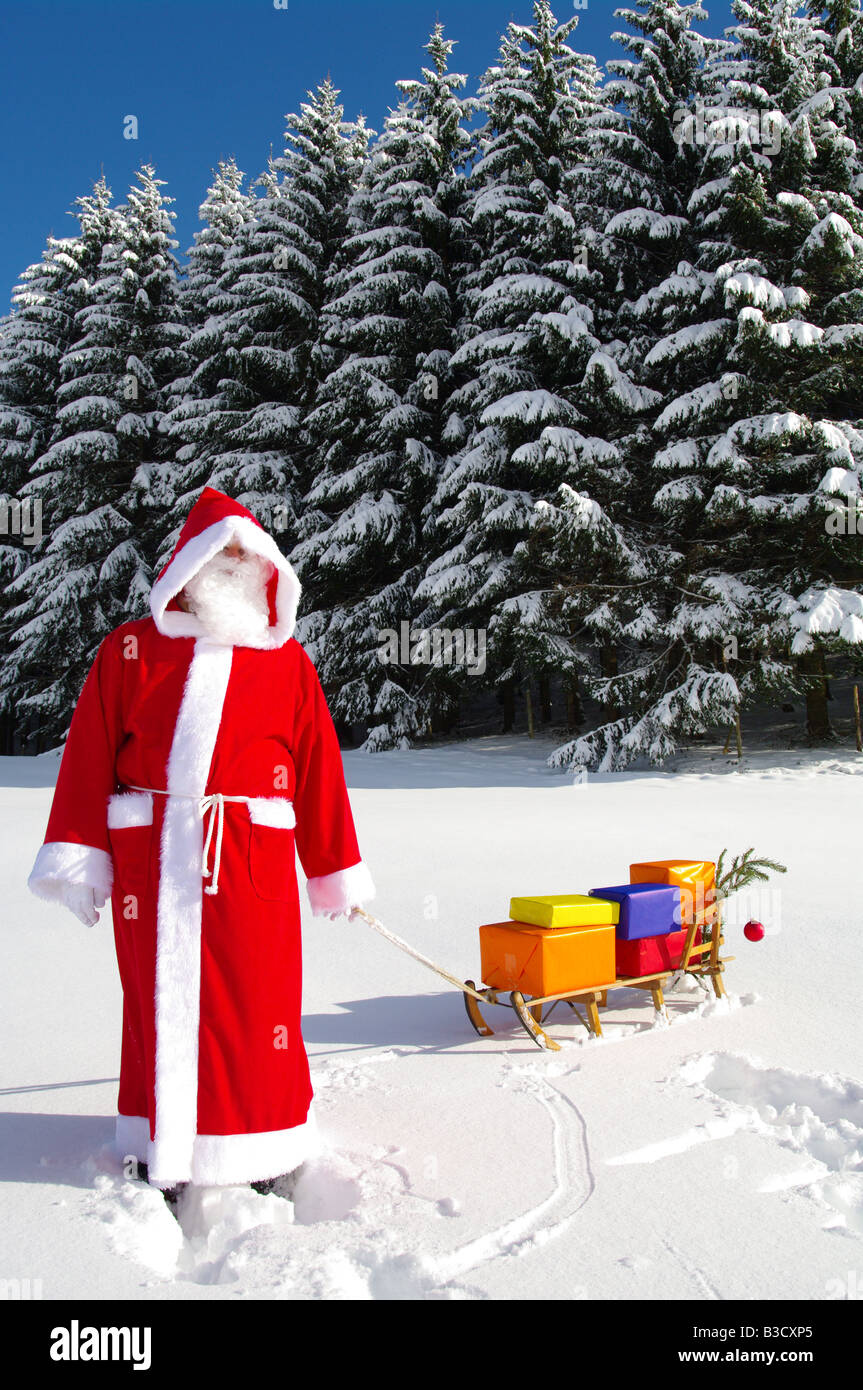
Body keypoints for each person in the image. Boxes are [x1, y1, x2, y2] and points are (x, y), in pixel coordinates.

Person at [27, 486, 375, 1203]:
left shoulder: (287, 663)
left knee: (257, 1005)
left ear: (268, 569)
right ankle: (159, 1142)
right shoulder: (130, 650)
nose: (235, 565)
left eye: (248, 554)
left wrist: (334, 869)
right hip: (150, 860)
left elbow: (316, 770)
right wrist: (81, 858)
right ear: (187, 565)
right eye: (222, 554)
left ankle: (260, 1142)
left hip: (253, 861)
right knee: (155, 1001)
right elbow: (89, 754)